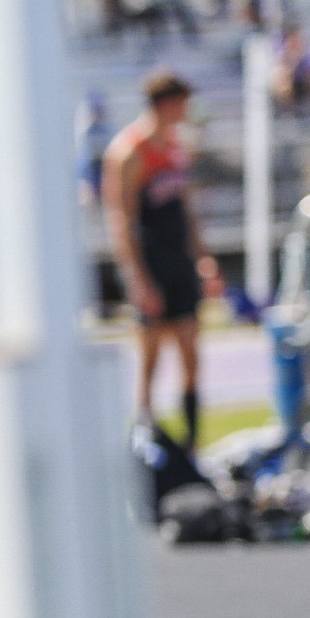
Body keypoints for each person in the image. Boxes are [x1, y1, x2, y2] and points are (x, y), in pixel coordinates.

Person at [102, 72, 223, 446]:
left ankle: (191, 441)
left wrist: (203, 258)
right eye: (181, 103)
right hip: (150, 262)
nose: (186, 111)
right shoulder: (129, 151)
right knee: (151, 357)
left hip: (179, 260)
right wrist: (138, 280)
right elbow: (122, 221)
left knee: (190, 351)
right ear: (166, 103)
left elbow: (185, 210)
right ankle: (145, 436)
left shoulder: (174, 147)